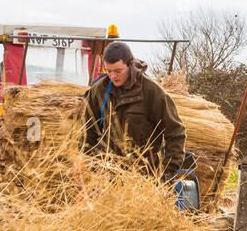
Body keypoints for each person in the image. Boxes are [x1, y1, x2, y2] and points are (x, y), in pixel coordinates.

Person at [80, 41, 187, 180]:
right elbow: (87, 130)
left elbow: (176, 132)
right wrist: (86, 162)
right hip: (107, 175)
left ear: (130, 64)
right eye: (109, 71)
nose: (113, 76)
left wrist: (168, 172)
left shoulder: (151, 92)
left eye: (118, 71)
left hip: (144, 177)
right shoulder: (99, 90)